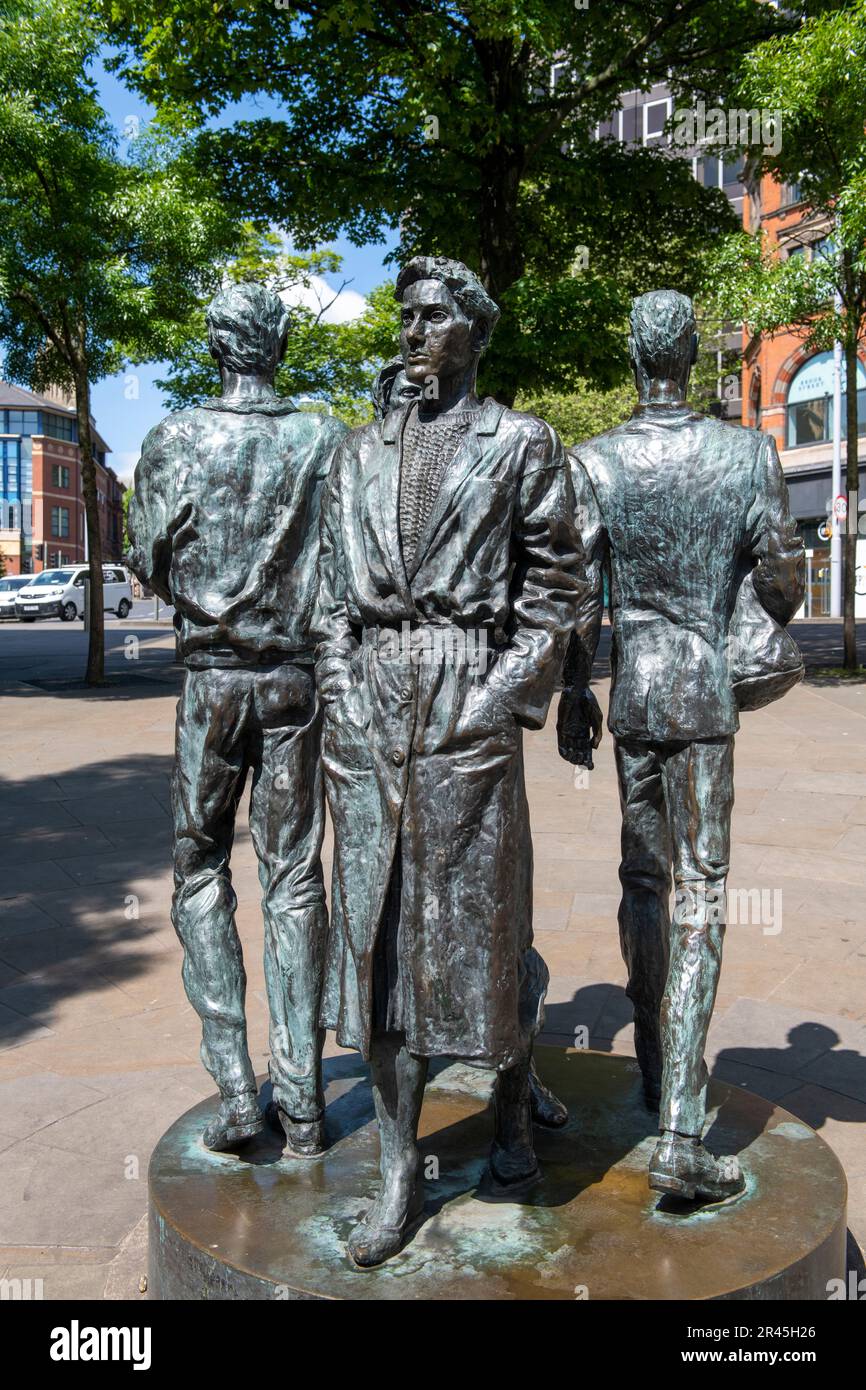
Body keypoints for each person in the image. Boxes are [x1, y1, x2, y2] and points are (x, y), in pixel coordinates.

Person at [314, 255, 583, 1265]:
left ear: (474, 329)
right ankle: (396, 1171)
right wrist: (341, 690)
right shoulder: (354, 454)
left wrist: (494, 699)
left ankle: (510, 1110)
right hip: (374, 717)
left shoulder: (519, 445)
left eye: (432, 317)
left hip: (464, 707)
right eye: (405, 317)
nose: (411, 333)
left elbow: (553, 591)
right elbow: (331, 597)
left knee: (482, 932)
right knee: (379, 948)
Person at [558, 289, 805, 1201]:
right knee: (701, 888)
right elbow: (779, 579)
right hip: (704, 690)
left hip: (638, 695)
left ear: (633, 357)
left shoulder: (595, 463)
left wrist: (577, 693)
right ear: (695, 357)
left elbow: (579, 597)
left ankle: (655, 1062)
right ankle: (676, 1123)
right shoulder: (746, 452)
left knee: (640, 880)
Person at [128, 283, 347, 1155]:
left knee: (198, 869)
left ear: (216, 345)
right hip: (296, 682)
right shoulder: (323, 436)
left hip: (213, 684)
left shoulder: (176, 436)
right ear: (279, 346)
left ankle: (236, 1089)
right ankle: (303, 1098)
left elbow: (145, 558)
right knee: (294, 877)